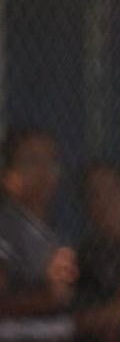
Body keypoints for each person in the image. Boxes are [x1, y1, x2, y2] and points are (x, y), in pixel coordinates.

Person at [0, 127, 77, 342]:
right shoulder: (6, 226)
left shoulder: (57, 228)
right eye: (31, 161)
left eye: (51, 161)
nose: (45, 171)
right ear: (7, 176)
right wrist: (48, 298)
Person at [73, 164, 120, 342]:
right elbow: (85, 320)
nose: (104, 201)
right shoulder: (85, 257)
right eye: (95, 195)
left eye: (112, 191)